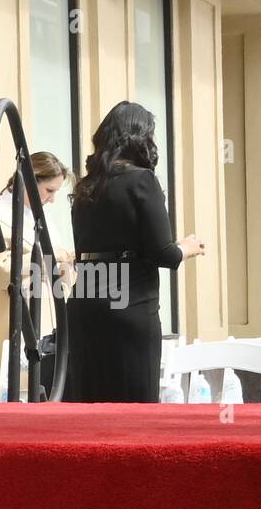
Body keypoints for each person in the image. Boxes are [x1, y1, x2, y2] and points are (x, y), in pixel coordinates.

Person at [65, 102, 204, 402]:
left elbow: (85, 251)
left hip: (85, 305)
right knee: (134, 414)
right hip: (129, 307)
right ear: (141, 138)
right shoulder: (142, 180)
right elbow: (162, 254)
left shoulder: (87, 186)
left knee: (90, 410)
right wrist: (186, 248)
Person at [0, 151, 73, 396]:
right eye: (49, 190)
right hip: (11, 309)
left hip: (46, 307)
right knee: (18, 385)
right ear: (29, 182)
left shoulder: (39, 218)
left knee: (47, 383)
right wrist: (48, 257)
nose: (53, 199)